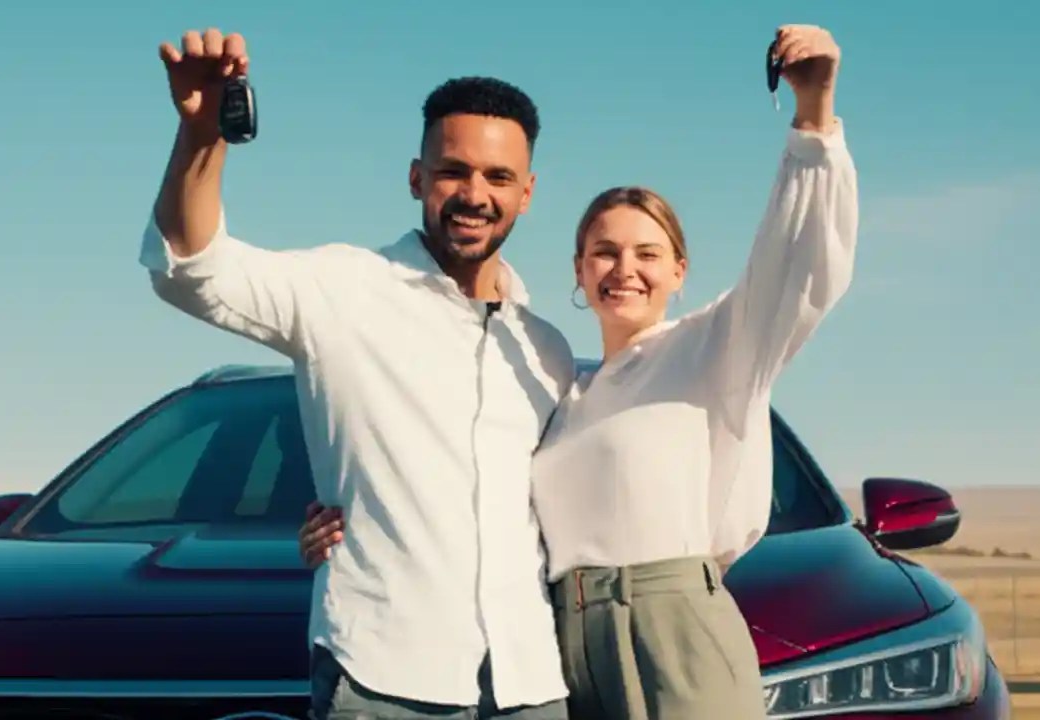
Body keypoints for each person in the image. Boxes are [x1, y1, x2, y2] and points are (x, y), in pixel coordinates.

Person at [299, 24, 858, 720]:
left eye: (648, 254)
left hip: (673, 634)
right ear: (578, 271)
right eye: (605, 252)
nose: (625, 269)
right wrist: (341, 522)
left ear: (680, 272)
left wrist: (814, 119)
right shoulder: (560, 390)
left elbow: (795, 266)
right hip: (562, 645)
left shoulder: (719, 348)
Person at [140, 28, 575, 720]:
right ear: (415, 178)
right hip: (384, 677)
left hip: (529, 683)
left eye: (497, 178)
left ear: (527, 193)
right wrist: (201, 132)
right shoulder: (342, 290)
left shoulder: (545, 350)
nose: (473, 194)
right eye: (452, 171)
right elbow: (192, 270)